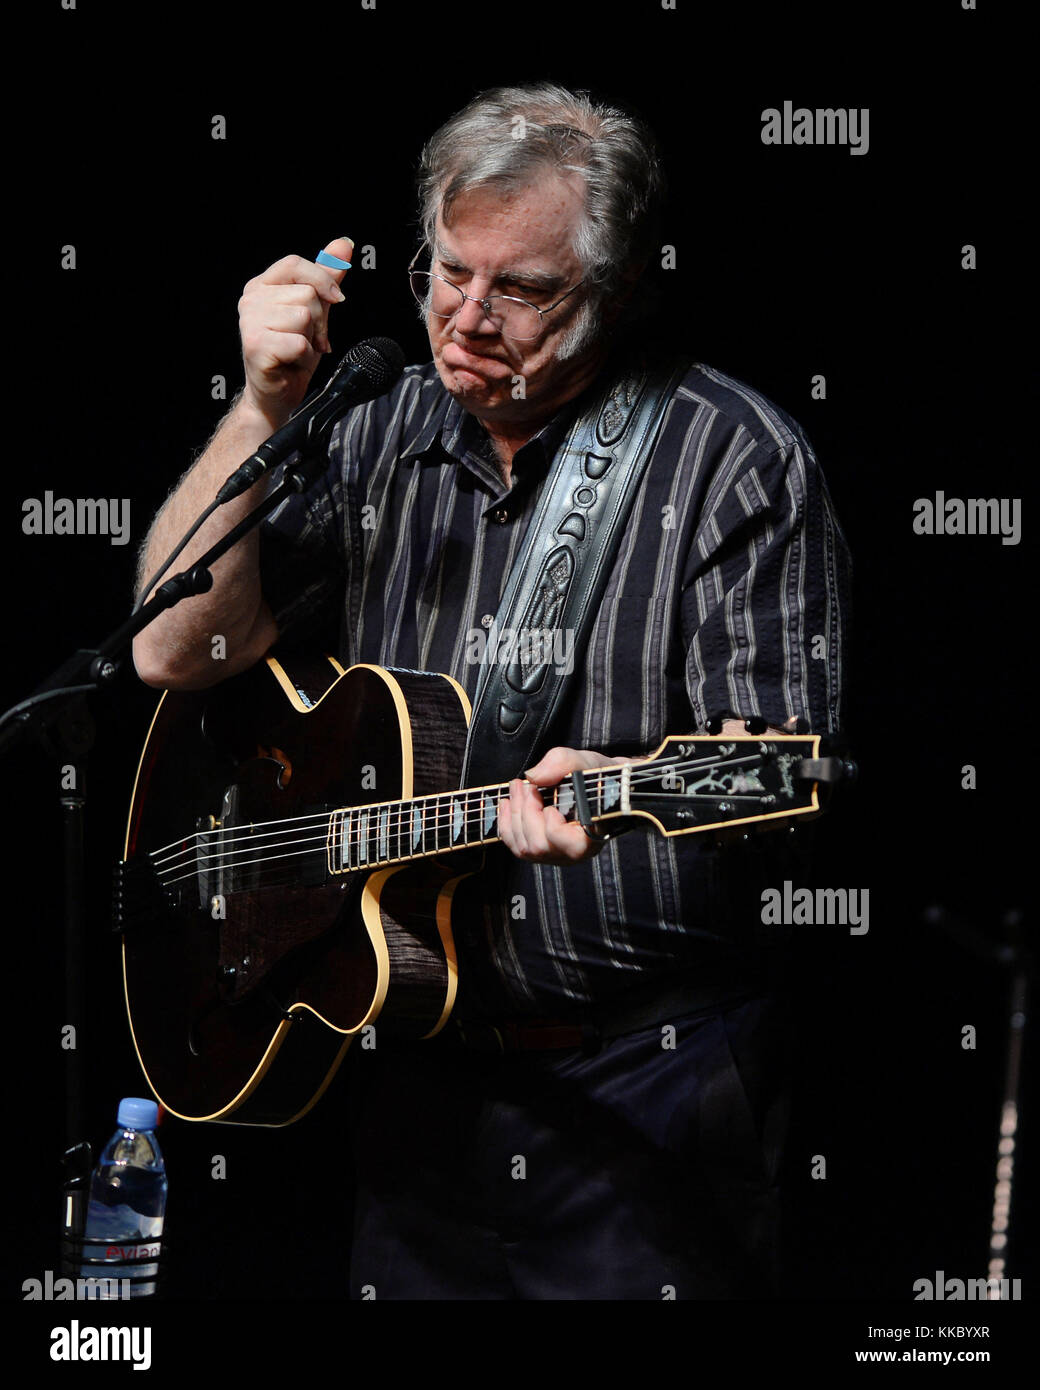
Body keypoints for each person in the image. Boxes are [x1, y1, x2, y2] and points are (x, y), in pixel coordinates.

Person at [133, 83, 850, 1299]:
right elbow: (174, 653)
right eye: (447, 272)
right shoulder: (367, 424)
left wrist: (622, 794)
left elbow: (788, 777)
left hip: (648, 1091)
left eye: (521, 291)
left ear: (614, 292)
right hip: (413, 1081)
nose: (466, 318)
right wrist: (263, 403)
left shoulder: (733, 458)